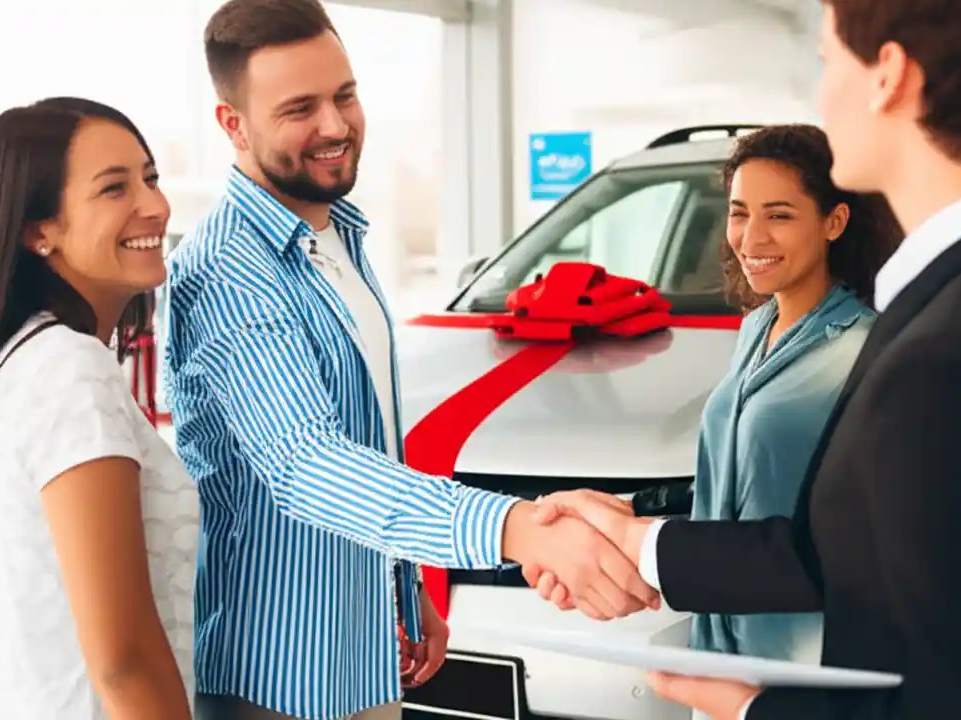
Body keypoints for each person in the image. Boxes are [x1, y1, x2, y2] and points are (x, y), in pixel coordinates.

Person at [529, 0, 961, 718]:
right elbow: (863, 553)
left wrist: (755, 710)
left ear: (888, 76)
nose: (820, 90)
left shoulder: (957, 355)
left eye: (828, 59)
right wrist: (639, 538)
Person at [160, 1, 658, 719]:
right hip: (275, 673)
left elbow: (367, 443)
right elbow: (309, 466)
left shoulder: (337, 238)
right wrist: (517, 530)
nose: (335, 126)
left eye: (345, 95)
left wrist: (403, 583)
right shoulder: (232, 272)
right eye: (300, 108)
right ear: (232, 124)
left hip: (358, 647)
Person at [0, 97, 197, 719]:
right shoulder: (68, 372)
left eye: (151, 177)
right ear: (39, 230)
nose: (156, 206)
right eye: (115, 188)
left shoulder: (23, 359)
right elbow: (123, 660)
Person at [639, 124, 902, 668]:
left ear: (834, 221)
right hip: (723, 631)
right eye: (740, 213)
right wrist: (633, 509)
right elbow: (739, 471)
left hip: (806, 649)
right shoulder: (756, 328)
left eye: (778, 215)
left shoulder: (862, 350)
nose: (751, 238)